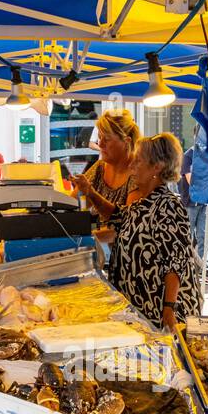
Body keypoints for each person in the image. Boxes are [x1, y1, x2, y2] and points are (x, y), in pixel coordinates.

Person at [113, 133, 202, 330]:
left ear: (157, 167)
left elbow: (176, 261)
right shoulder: (143, 204)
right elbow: (117, 217)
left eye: (138, 161)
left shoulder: (168, 206)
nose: (131, 166)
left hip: (165, 313)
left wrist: (168, 309)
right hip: (143, 309)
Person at [73, 109, 140, 284]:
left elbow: (126, 226)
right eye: (99, 137)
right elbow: (72, 206)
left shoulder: (138, 173)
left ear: (126, 142)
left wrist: (88, 238)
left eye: (106, 139)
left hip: (138, 265)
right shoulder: (100, 167)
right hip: (113, 263)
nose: (99, 143)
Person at [179, 145, 208, 270]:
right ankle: (187, 266)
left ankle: (201, 267)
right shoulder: (188, 156)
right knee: (188, 235)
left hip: (204, 201)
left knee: (203, 235)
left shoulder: (206, 156)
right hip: (190, 202)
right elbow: (191, 180)